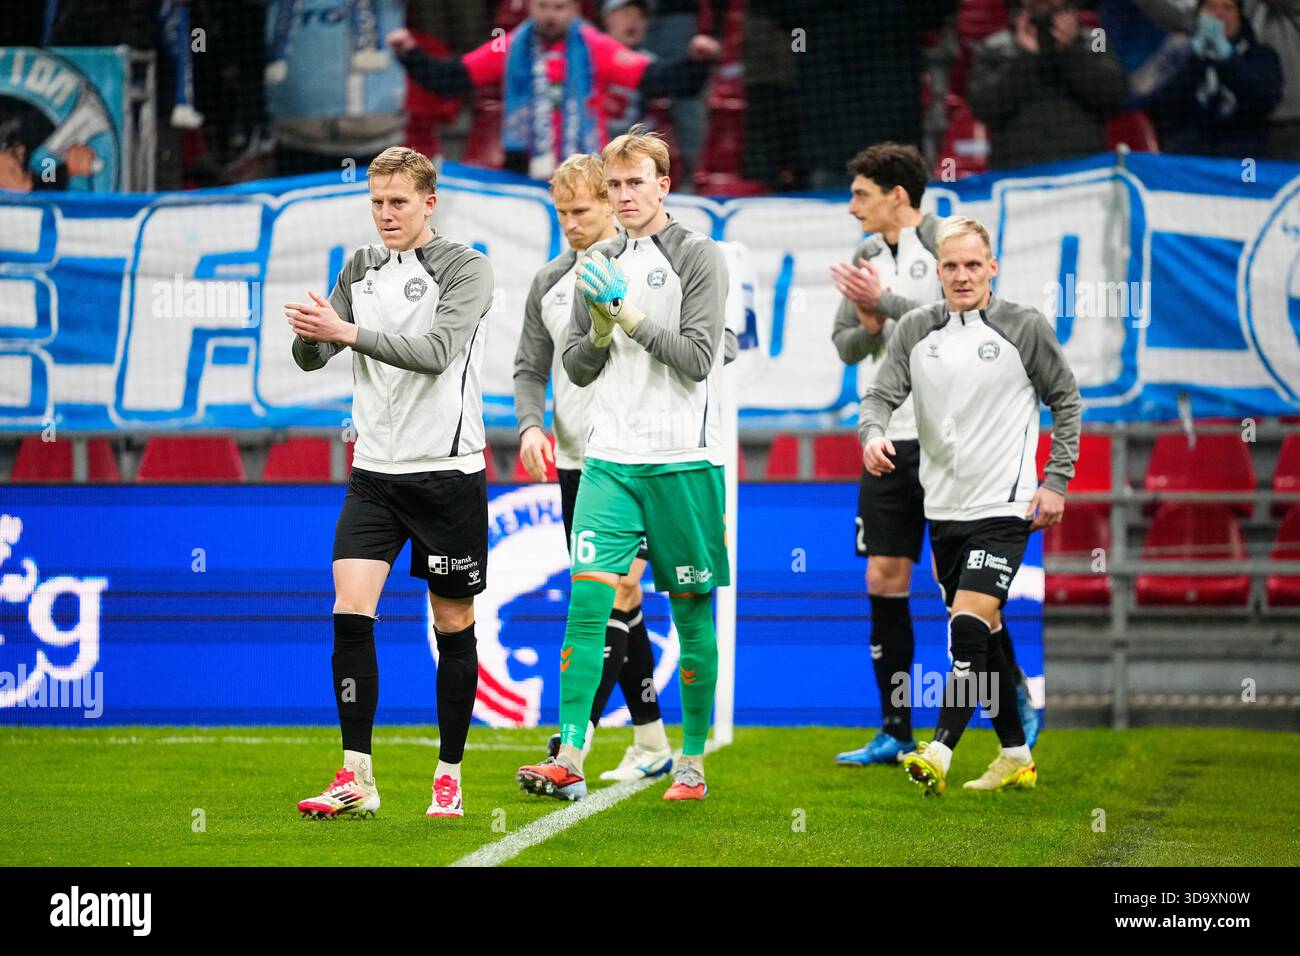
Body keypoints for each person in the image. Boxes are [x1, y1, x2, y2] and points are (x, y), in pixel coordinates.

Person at [515, 125, 730, 802]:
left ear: (664, 185)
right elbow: (575, 366)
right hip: (608, 459)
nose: (624, 195)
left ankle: (689, 760)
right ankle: (571, 752)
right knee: (589, 598)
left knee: (691, 612)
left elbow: (697, 358)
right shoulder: (594, 261)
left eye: (636, 182)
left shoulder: (700, 256)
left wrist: (627, 316)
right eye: (615, 185)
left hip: (683, 460)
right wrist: (601, 328)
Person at [287, 146, 494, 819]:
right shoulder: (361, 268)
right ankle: (356, 777)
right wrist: (314, 334)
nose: (384, 214)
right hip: (375, 473)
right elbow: (313, 359)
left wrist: (344, 329)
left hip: (447, 474)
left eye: (398, 202)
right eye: (376, 202)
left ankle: (449, 774)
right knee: (349, 613)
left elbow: (437, 355)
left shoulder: (466, 268)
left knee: (451, 621)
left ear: (428, 203)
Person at [830, 144, 1040, 769]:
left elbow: (944, 315)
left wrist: (885, 304)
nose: (852, 206)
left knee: (966, 600)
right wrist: (868, 321)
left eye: (862, 194)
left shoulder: (944, 251)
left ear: (898, 195)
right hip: (889, 437)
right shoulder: (866, 258)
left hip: (951, 445)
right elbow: (845, 346)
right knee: (883, 578)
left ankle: (1016, 699)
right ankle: (895, 727)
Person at [858, 216, 1082, 796]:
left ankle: (939, 749)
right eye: (951, 266)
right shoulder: (914, 329)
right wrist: (873, 434)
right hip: (944, 510)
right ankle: (1014, 752)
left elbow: (1066, 400)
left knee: (965, 626)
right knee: (983, 631)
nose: (962, 276)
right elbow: (880, 394)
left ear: (993, 267)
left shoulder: (1024, 326)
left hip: (1006, 504)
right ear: (938, 271)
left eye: (972, 265)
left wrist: (1055, 479)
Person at [514, 152, 674, 783]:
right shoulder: (549, 281)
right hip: (578, 462)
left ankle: (570, 747)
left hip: (639, 459)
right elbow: (530, 367)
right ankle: (654, 740)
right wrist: (530, 424)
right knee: (613, 601)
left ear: (612, 202)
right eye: (561, 213)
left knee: (617, 590)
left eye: (581, 211)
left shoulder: (653, 268)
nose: (571, 224)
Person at [386, 0, 719, 179]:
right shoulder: (511, 44)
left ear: (574, 9)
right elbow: (452, 79)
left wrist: (696, 62)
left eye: (559, 8)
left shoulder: (595, 45)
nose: (550, 16)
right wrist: (410, 55)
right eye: (543, 6)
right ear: (531, 6)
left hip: (588, 171)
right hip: (524, 170)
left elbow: (658, 80)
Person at [969, 0, 1130, 169]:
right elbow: (984, 109)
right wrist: (1026, 58)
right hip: (1017, 172)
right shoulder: (992, 46)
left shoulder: (1096, 39)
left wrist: (1071, 50)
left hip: (1084, 170)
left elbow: (1113, 98)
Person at [1136, 0, 1283, 157]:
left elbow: (1264, 99)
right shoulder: (1178, 55)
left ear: (1239, 16)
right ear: (1199, 16)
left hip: (1244, 159)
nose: (1219, 14)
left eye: (1228, 7)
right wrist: (1195, 62)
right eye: (1211, 7)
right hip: (1189, 159)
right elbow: (1159, 107)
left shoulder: (1261, 55)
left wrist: (1227, 59)